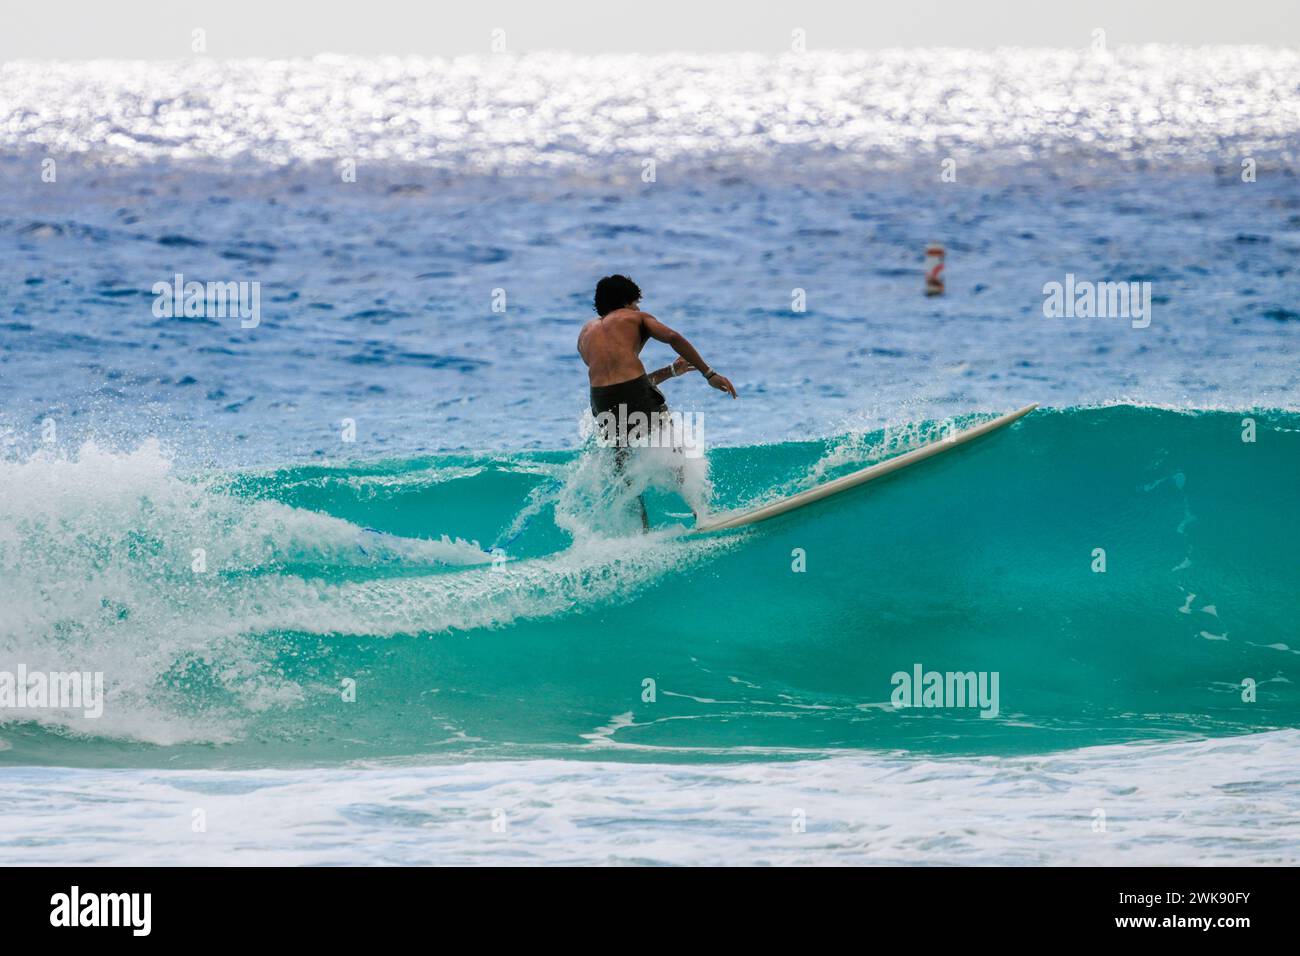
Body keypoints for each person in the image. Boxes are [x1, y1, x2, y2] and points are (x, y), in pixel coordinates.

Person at [577, 274, 737, 528]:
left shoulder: (585, 334)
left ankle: (641, 529)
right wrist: (709, 373)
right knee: (672, 446)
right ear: (627, 302)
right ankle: (702, 514)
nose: (638, 308)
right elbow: (673, 338)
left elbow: (618, 382)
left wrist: (670, 372)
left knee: (621, 463)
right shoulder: (636, 318)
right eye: (635, 303)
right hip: (633, 391)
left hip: (600, 399)